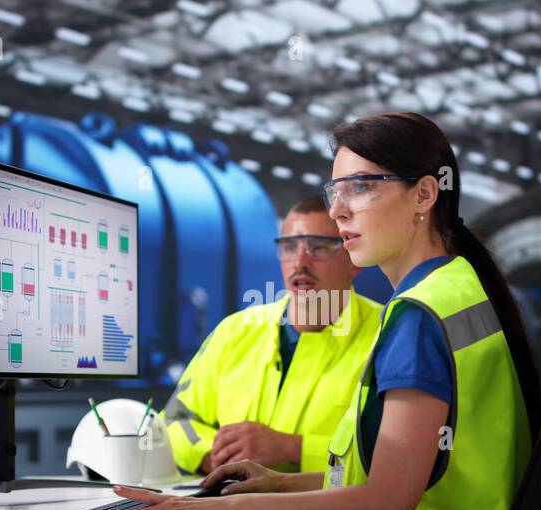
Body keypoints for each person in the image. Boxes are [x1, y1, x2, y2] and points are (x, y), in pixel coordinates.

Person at [105, 112, 541, 510]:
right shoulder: (459, 289)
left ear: (424, 194)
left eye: (360, 188)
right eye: (336, 191)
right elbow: (420, 474)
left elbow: (382, 508)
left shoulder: (418, 316)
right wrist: (283, 484)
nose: (338, 211)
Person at [161, 196, 381, 474]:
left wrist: (293, 449)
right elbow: (174, 422)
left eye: (318, 247)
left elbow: (400, 458)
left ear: (354, 260)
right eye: (289, 247)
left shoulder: (387, 336)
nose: (300, 262)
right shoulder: (234, 332)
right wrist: (213, 456)